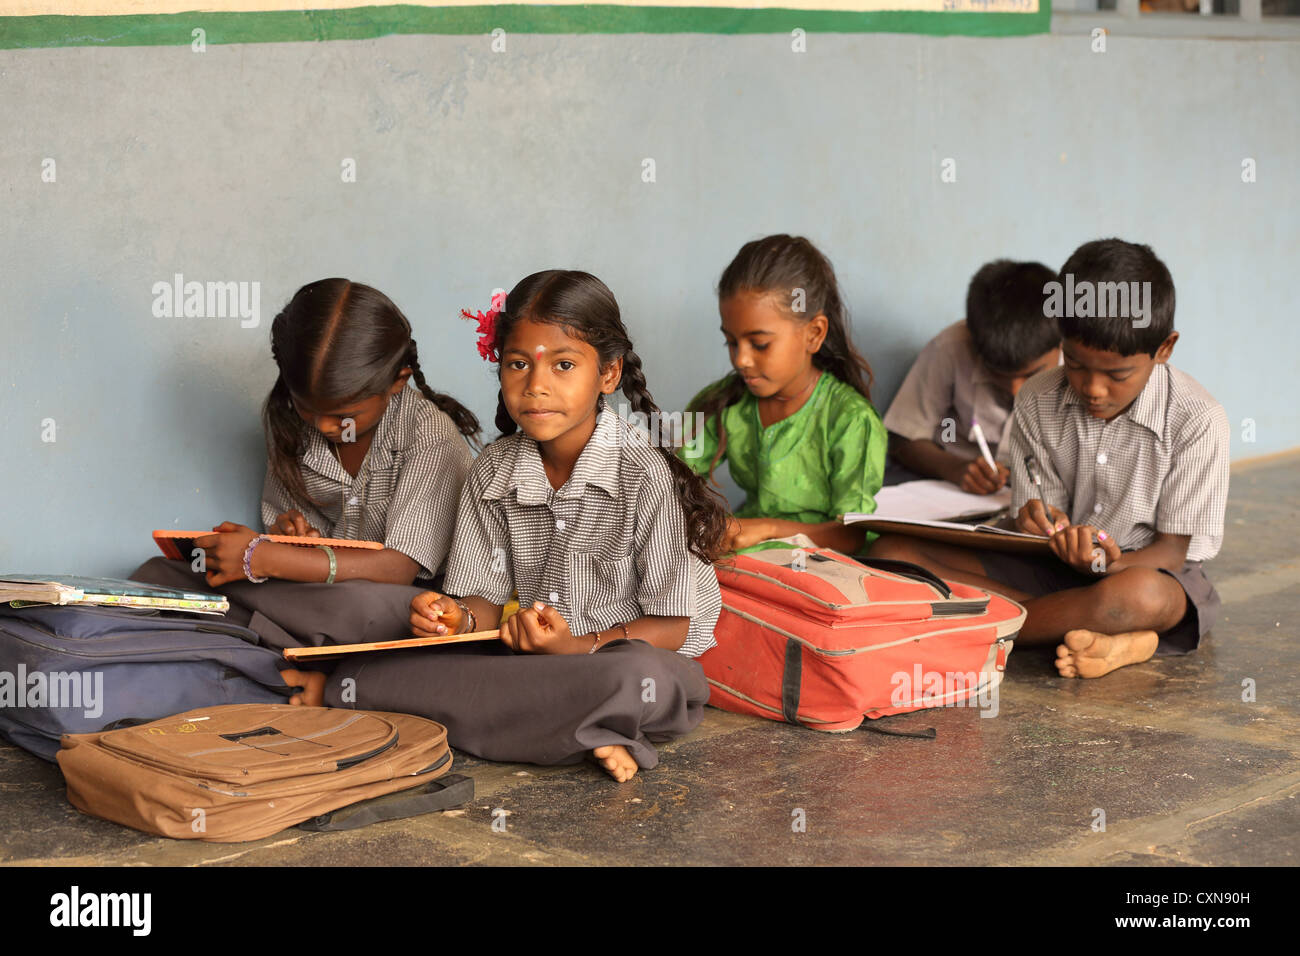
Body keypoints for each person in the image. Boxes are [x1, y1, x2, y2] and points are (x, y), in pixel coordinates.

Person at [317, 270, 730, 781]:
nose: (536, 386)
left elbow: (673, 627)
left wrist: (575, 647)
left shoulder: (644, 474)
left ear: (608, 374)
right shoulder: (493, 469)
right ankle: (583, 732)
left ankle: (582, 721)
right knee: (398, 670)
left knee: (641, 679)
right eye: (518, 364)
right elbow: (484, 604)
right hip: (531, 666)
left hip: (622, 660)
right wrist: (455, 618)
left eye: (563, 365)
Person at [870, 239, 1229, 679]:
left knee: (1141, 600)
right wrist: (1042, 522)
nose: (1092, 388)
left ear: (1165, 348)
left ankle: (986, 624)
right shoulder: (1039, 397)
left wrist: (1105, 564)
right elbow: (1040, 517)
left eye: (1117, 374)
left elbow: (1172, 553)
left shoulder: (1197, 420)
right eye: (1075, 364)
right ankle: (1096, 632)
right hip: (1051, 568)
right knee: (890, 553)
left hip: (1139, 569)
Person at [131, 279, 479, 699]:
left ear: (397, 382)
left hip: (404, 604)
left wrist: (272, 558)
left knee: (361, 608)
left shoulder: (429, 435)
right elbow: (296, 543)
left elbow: (398, 570)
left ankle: (292, 660)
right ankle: (304, 661)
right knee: (162, 575)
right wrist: (294, 540)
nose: (322, 426)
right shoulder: (291, 422)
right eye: (306, 408)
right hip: (317, 598)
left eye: (342, 415)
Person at [679, 234, 885, 554]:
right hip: (748, 554)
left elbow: (851, 536)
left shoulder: (851, 419)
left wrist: (769, 529)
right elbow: (671, 483)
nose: (740, 360)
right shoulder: (724, 402)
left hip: (827, 565)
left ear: (813, 334)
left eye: (759, 344)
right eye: (731, 342)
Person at [883, 259, 1060, 493]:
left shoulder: (1084, 364)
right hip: (953, 489)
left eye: (1031, 374)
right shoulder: (950, 348)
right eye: (998, 374)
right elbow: (903, 439)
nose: (1016, 390)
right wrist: (953, 468)